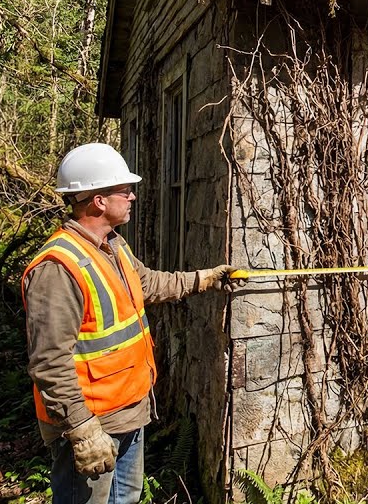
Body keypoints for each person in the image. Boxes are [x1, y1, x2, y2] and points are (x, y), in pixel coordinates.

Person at [23, 142, 235, 504]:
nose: (133, 197)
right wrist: (80, 427)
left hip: (129, 411)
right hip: (92, 422)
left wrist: (206, 278)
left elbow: (148, 284)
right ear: (98, 201)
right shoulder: (58, 268)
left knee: (127, 499)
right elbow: (49, 362)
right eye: (125, 190)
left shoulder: (113, 246)